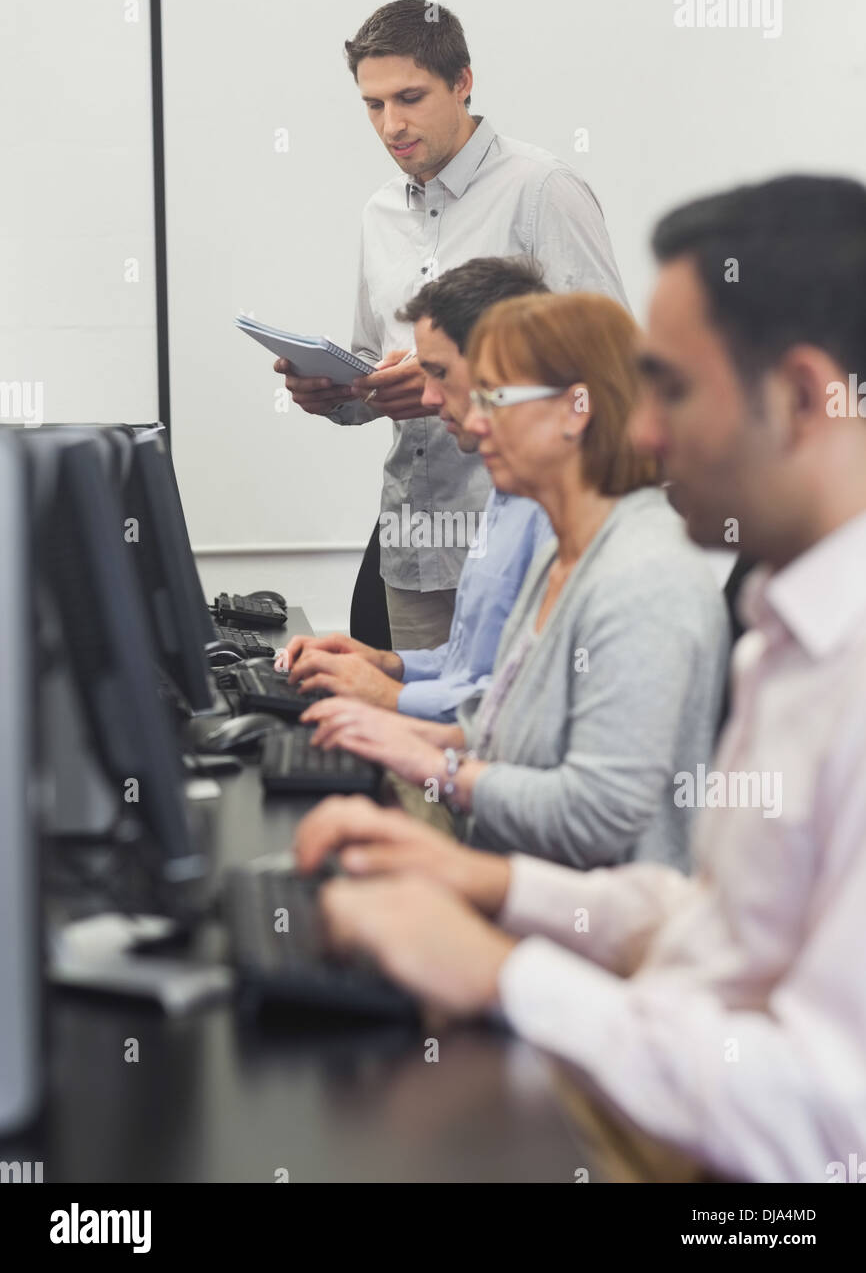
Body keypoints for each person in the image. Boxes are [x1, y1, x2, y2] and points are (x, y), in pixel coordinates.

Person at [295, 173, 866, 1182]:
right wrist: (484, 880)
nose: (641, 433)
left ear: (795, 395)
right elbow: (712, 923)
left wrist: (505, 975)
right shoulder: (782, 630)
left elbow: (827, 1124)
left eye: (673, 391)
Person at [303, 291, 729, 871]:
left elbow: (595, 817)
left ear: (578, 407)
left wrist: (431, 763)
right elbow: (499, 731)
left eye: (496, 399)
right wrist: (389, 733)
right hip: (529, 884)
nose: (473, 419)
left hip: (591, 930)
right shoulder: (569, 554)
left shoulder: (644, 578)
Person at [273, 0, 627, 649]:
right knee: (409, 723)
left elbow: (611, 372)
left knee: (497, 735)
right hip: (410, 544)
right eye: (373, 106)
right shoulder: (379, 212)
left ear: (463, 82)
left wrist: (459, 382)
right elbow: (372, 362)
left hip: (519, 540)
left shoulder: (542, 189)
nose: (391, 125)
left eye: (409, 97)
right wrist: (340, 393)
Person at [278, 257, 553, 721]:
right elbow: (471, 665)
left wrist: (388, 699)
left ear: (504, 370)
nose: (424, 399)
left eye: (438, 374)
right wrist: (385, 664)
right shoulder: (509, 499)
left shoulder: (565, 520)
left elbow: (526, 709)